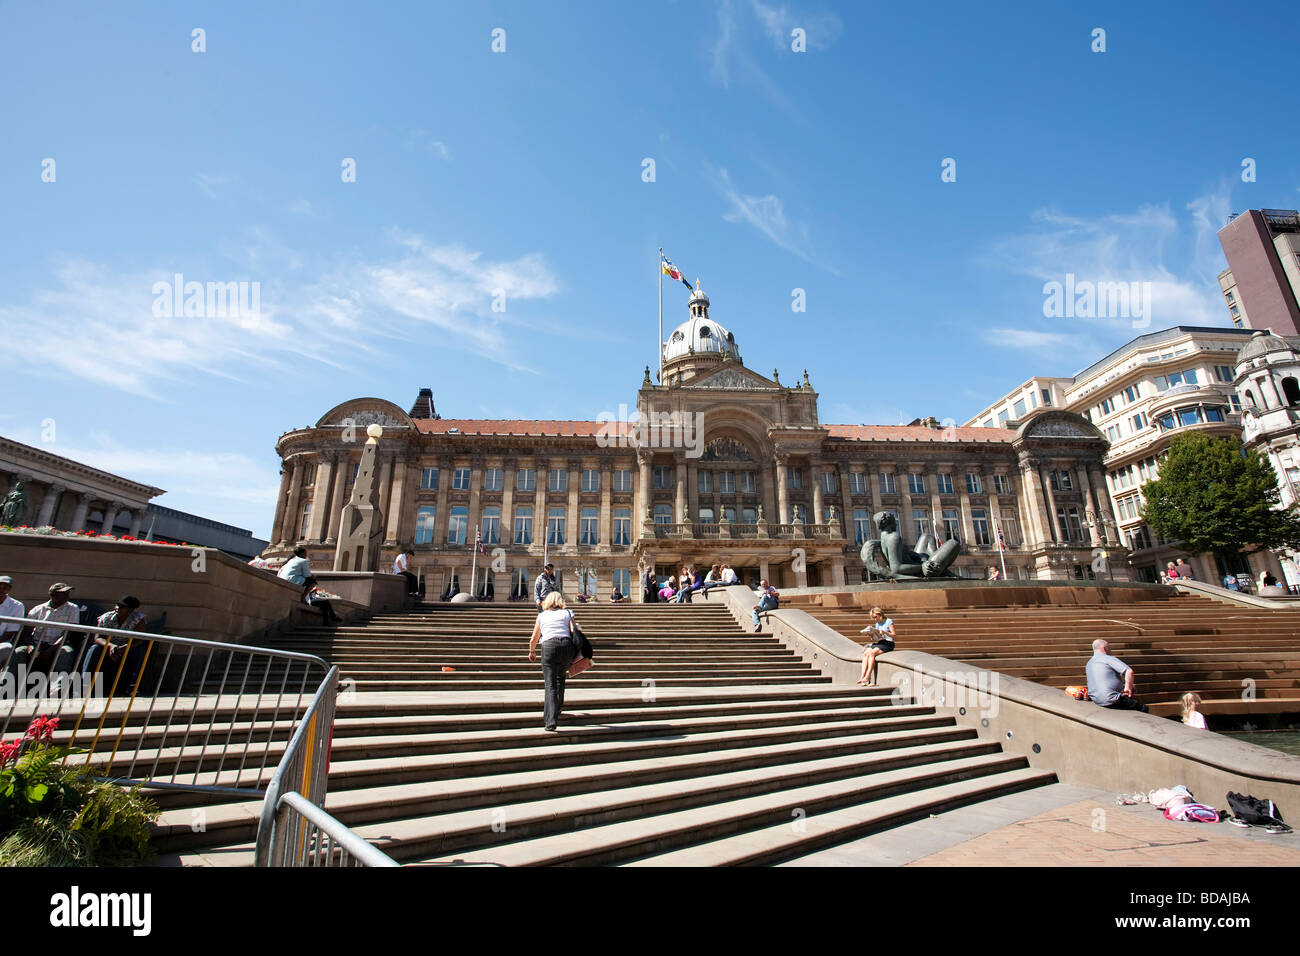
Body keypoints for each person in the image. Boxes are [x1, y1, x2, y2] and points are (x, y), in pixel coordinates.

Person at [528, 591, 576, 731]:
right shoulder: (567, 613)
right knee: (561, 678)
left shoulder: (542, 616)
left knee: (550, 684)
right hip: (566, 647)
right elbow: (574, 631)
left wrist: (532, 651)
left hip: (549, 647)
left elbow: (534, 638)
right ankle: (558, 708)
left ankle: (550, 720)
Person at [17, 583, 83, 679]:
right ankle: (8, 686)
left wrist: (52, 649)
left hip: (59, 644)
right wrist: (31, 646)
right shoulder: (38, 609)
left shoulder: (73, 608)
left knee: (66, 652)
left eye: (68, 593)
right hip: (37, 643)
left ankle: (58, 688)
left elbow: (69, 633)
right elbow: (27, 631)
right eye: (63, 593)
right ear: (53, 595)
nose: (67, 595)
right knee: (19, 651)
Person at [85, 595, 148, 686]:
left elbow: (139, 640)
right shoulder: (106, 617)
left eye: (122, 607)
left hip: (128, 647)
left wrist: (124, 648)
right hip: (108, 646)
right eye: (117, 605)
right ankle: (86, 682)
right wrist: (111, 646)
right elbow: (98, 637)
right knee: (94, 649)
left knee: (139, 651)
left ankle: (131, 685)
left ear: (129, 610)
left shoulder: (138, 619)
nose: (117, 608)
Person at [1085, 638, 1148, 712]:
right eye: (1109, 648)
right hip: (1111, 700)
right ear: (1105, 648)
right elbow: (1129, 671)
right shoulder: (1107, 658)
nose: (1110, 650)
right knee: (1144, 708)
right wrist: (1128, 688)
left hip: (1096, 698)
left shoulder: (1089, 663)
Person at [858, 606, 895, 686]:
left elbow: (894, 635)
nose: (875, 619)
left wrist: (885, 632)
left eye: (875, 617)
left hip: (888, 643)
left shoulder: (889, 621)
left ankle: (868, 676)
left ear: (880, 614)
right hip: (880, 642)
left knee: (871, 653)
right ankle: (862, 676)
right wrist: (871, 635)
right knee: (866, 653)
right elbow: (877, 638)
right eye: (873, 618)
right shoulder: (877, 623)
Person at [0, 576, 26, 668]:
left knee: (6, 648)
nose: (1, 590)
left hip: (1, 642)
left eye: (5, 588)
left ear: (9, 589)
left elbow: (10, 632)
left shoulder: (17, 606)